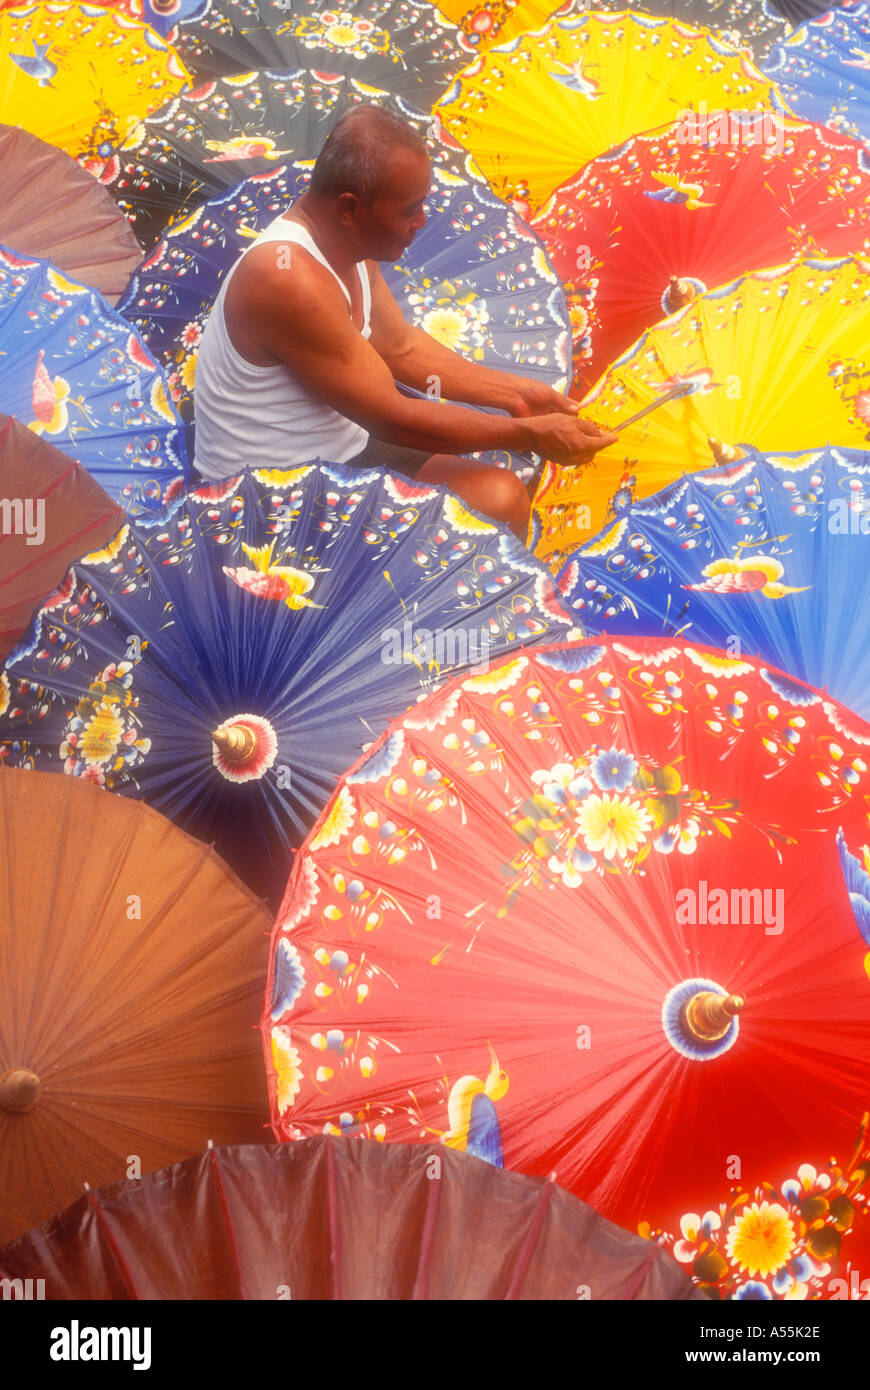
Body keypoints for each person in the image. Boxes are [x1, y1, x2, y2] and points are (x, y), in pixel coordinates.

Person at [193, 105, 619, 538]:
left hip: (343, 451)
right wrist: (529, 435)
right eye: (409, 211)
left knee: (497, 495)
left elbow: (400, 348)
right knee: (498, 499)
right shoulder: (288, 278)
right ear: (349, 208)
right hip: (265, 496)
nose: (421, 223)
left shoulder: (346, 242)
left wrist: (517, 395)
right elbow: (393, 418)